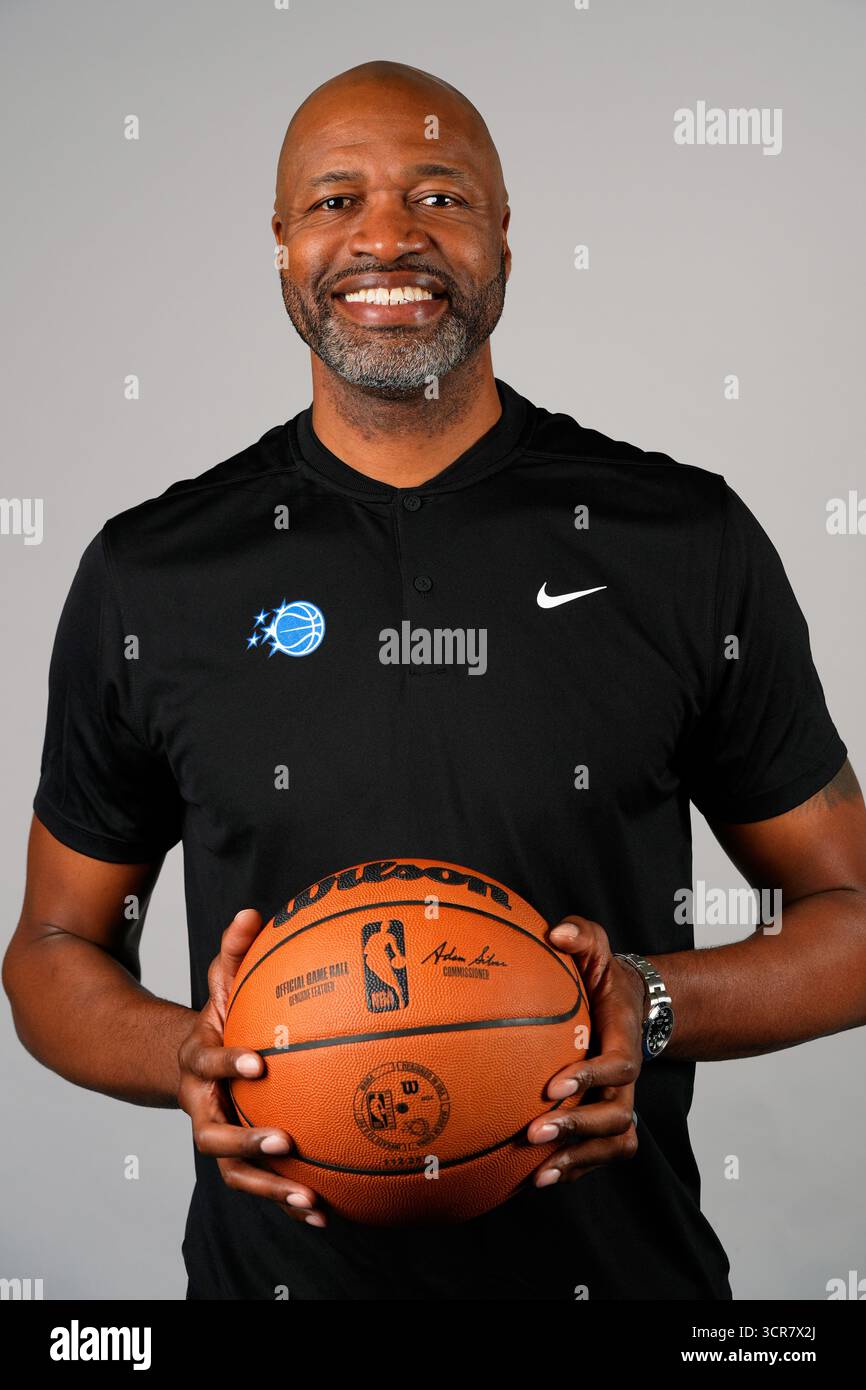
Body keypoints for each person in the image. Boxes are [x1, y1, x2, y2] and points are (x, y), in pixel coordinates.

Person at [5, 60, 866, 1301]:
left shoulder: (679, 540)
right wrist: (184, 1052)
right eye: (334, 200)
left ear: (503, 231)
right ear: (283, 244)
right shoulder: (154, 572)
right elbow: (49, 942)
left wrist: (648, 1001)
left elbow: (849, 912)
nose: (386, 236)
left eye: (440, 194)